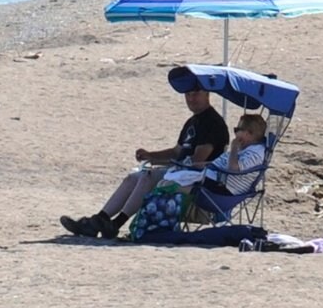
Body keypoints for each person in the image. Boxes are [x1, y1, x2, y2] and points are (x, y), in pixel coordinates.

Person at [62, 82, 230, 239]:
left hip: (195, 179)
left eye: (196, 94)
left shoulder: (213, 123)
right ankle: (98, 220)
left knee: (146, 177)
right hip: (180, 172)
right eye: (188, 95)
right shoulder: (192, 122)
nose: (191, 98)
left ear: (207, 94)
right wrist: (152, 155)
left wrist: (168, 166)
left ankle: (116, 223)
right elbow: (177, 151)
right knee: (131, 178)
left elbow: (197, 160)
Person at [129, 112, 272, 245]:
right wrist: (199, 165)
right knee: (168, 180)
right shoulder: (246, 149)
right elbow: (222, 164)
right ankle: (154, 226)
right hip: (211, 179)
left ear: (247, 134)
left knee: (168, 185)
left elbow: (233, 168)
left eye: (237, 130)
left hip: (219, 190)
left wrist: (234, 148)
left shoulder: (255, 152)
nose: (235, 133)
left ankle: (156, 228)